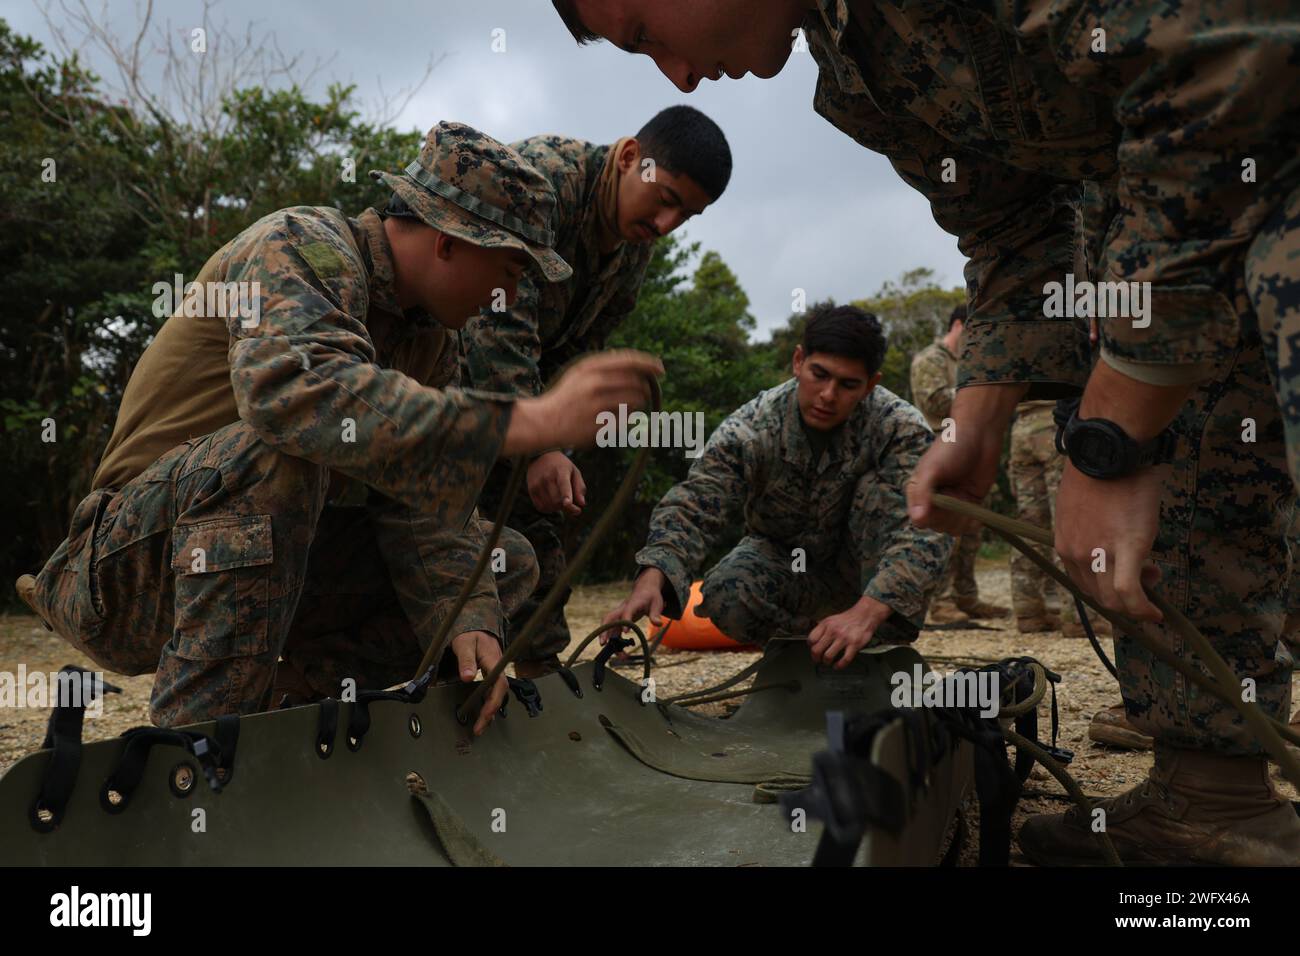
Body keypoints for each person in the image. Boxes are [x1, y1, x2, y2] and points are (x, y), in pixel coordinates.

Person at [552, 0, 1300, 864]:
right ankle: (1210, 798)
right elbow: (1012, 224)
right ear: (796, 366)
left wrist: (1113, 433)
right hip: (1153, 230)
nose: (676, 77)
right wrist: (981, 417)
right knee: (1188, 429)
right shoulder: (856, 73)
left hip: (1257, 158)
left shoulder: (891, 426)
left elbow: (1226, 63)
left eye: (646, 32)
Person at [17, 121, 662, 737]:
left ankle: (297, 726)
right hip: (123, 569)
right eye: (512, 270)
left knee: (500, 568)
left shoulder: (432, 341)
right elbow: (299, 398)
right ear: (449, 243)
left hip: (263, 565)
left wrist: (469, 622)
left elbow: (417, 506)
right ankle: (197, 760)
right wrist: (527, 419)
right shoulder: (300, 245)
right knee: (279, 456)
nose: (511, 294)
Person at [461, 106, 731, 678]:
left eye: (686, 215)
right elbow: (495, 320)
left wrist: (556, 443)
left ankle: (538, 673)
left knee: (551, 502)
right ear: (630, 156)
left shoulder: (633, 247)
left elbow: (579, 348)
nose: (666, 225)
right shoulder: (539, 182)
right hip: (443, 386)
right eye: (666, 199)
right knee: (448, 532)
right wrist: (539, 442)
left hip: (522, 401)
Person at [601, 304, 950, 666]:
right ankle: (804, 657)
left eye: (847, 385)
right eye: (819, 374)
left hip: (868, 585)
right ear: (798, 361)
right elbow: (698, 501)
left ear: (870, 385)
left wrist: (870, 610)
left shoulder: (899, 428)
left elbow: (927, 527)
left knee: (889, 496)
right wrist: (654, 575)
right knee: (726, 591)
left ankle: (870, 653)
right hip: (788, 572)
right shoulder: (753, 427)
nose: (828, 395)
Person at [909, 303, 1006, 623]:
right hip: (939, 449)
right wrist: (976, 397)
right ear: (959, 326)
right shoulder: (930, 359)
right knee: (944, 533)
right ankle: (941, 601)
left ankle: (966, 595)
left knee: (971, 530)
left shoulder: (967, 363)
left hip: (967, 450)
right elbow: (932, 400)